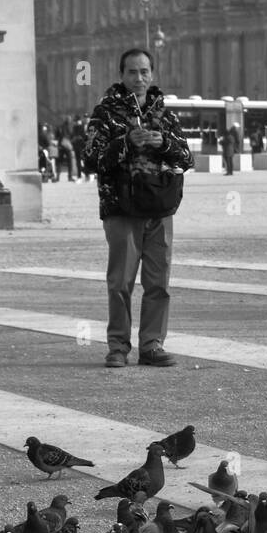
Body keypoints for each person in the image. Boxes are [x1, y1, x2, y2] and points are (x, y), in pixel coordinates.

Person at [83, 47, 194, 369]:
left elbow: (187, 159)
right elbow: (90, 159)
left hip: (160, 207)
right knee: (121, 283)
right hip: (121, 207)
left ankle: (152, 345)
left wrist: (165, 144)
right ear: (122, 75)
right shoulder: (105, 113)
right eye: (132, 72)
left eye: (144, 72)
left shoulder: (167, 114)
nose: (139, 78)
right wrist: (126, 142)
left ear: (153, 75)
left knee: (159, 283)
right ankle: (117, 346)